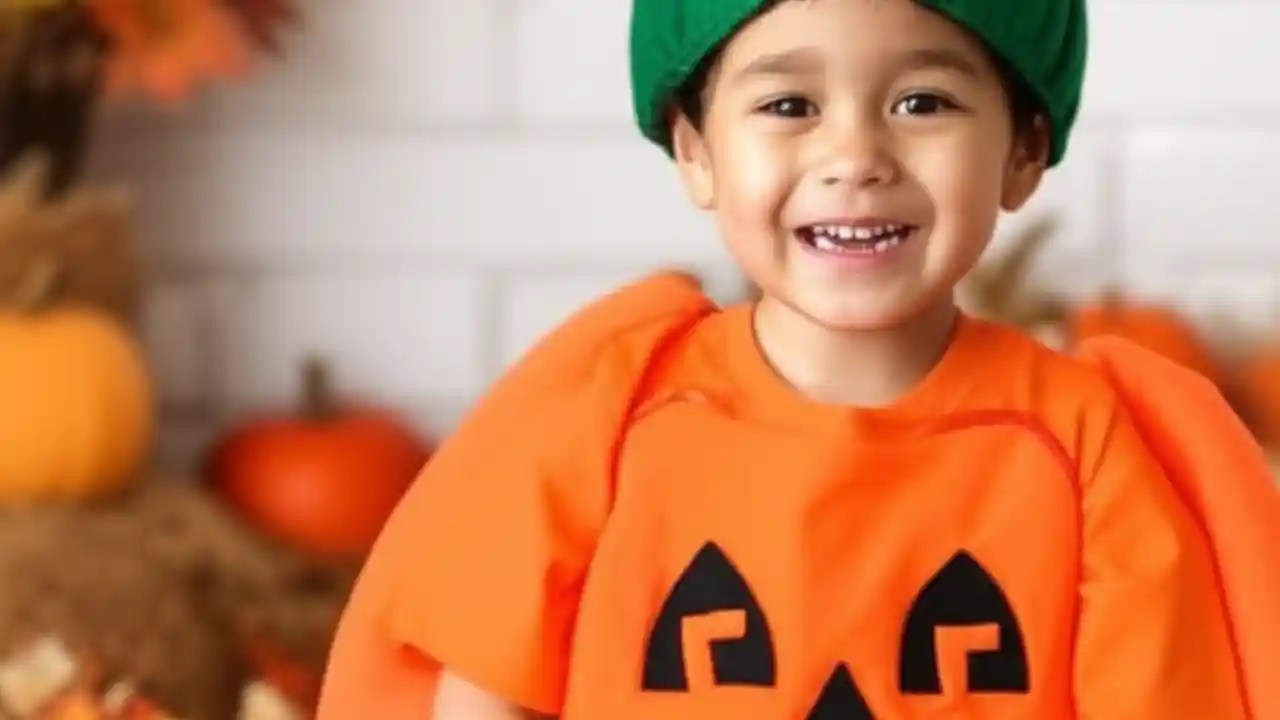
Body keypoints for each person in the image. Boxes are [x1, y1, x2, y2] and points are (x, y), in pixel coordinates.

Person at [317, 1, 1280, 717]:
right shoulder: (607, 406)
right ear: (696, 151)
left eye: (922, 100)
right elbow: (485, 687)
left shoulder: (1086, 445)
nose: (855, 153)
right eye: (788, 103)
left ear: (1024, 151)